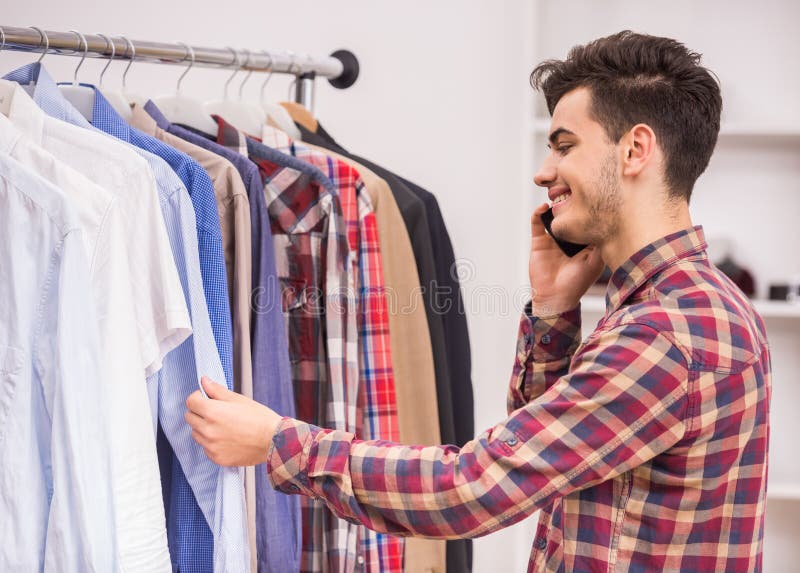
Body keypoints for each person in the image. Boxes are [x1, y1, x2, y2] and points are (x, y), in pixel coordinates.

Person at [185, 31, 771, 571]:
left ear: (635, 149)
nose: (544, 172)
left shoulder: (664, 333)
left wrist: (279, 443)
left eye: (565, 146)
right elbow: (542, 455)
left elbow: (476, 487)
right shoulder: (690, 307)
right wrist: (552, 310)